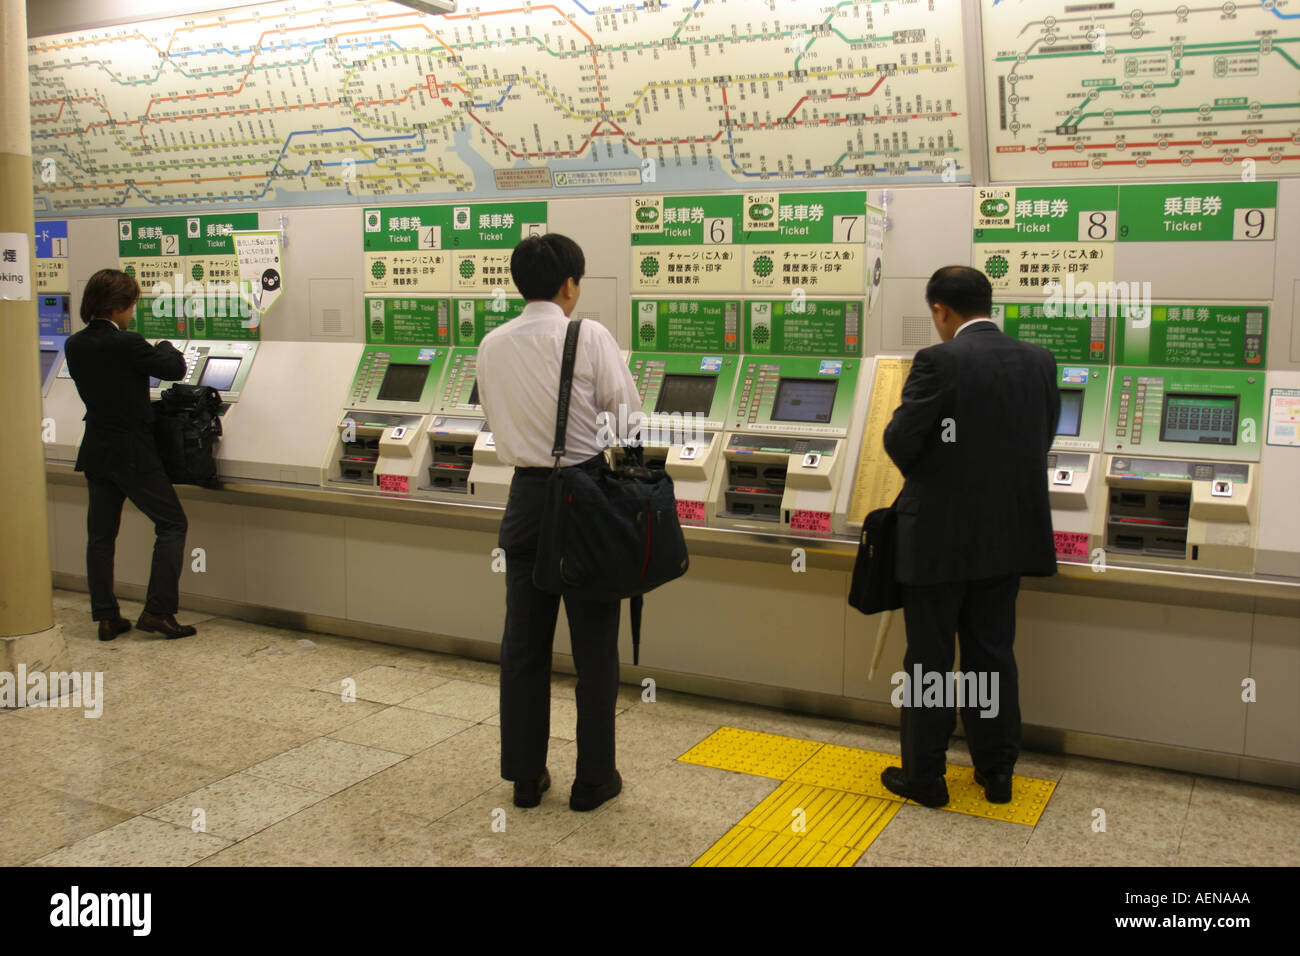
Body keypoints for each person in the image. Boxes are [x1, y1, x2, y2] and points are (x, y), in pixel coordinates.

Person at [879, 265, 1058, 808]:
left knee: (930, 661)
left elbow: (901, 442)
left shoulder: (939, 360)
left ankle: (926, 778)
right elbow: (1041, 437)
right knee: (991, 655)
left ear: (941, 310)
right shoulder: (1038, 360)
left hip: (938, 538)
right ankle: (997, 772)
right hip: (1007, 536)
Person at [476, 234, 641, 812]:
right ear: (570, 283)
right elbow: (628, 423)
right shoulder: (588, 334)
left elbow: (494, 419)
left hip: (525, 502)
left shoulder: (491, 343)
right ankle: (593, 780)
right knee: (595, 649)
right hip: (587, 501)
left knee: (523, 645)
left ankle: (525, 776)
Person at [64, 268, 197, 642]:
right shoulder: (128, 342)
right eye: (132, 305)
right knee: (172, 524)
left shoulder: (74, 344)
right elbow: (174, 369)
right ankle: (158, 611)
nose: (132, 313)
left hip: (96, 450)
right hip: (133, 452)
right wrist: (166, 345)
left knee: (101, 536)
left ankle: (107, 617)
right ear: (121, 306)